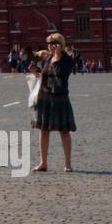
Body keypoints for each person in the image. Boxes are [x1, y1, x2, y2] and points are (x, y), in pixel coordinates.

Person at [31, 32, 77, 172]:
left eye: (53, 44)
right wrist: (35, 72)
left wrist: (57, 56)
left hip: (60, 98)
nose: (50, 46)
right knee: (43, 130)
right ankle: (43, 163)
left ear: (60, 45)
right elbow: (44, 75)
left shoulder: (67, 60)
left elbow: (60, 75)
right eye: (49, 44)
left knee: (64, 131)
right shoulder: (47, 59)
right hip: (44, 98)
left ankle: (67, 164)